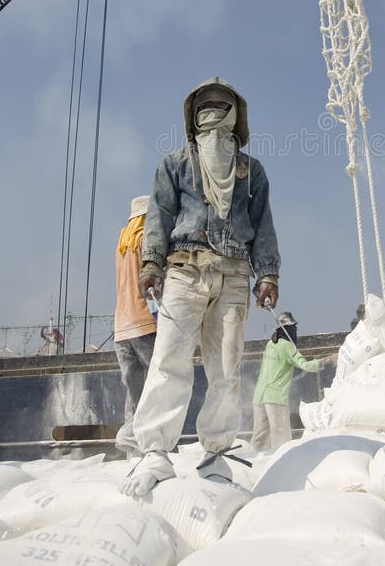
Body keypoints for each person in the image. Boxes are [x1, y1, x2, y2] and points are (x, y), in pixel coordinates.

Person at [122, 77, 280, 496]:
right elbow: (158, 215)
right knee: (169, 361)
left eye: (220, 104)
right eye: (204, 104)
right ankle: (155, 452)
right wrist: (151, 263)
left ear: (235, 115)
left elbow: (263, 224)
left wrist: (267, 274)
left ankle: (216, 452)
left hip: (233, 275)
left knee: (226, 369)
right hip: (184, 271)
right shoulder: (174, 164)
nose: (212, 110)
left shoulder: (250, 171)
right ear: (192, 116)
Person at [251, 310, 334, 452]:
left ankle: (252, 466)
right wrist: (327, 360)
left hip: (259, 397)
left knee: (259, 437)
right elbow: (306, 365)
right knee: (281, 438)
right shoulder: (288, 347)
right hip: (275, 398)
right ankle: (282, 467)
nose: (295, 331)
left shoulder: (270, 345)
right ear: (288, 328)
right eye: (294, 328)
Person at [114, 195, 157, 456]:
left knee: (134, 388)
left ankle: (133, 449)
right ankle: (134, 436)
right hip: (144, 322)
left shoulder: (122, 244)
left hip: (121, 326)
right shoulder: (145, 239)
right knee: (157, 383)